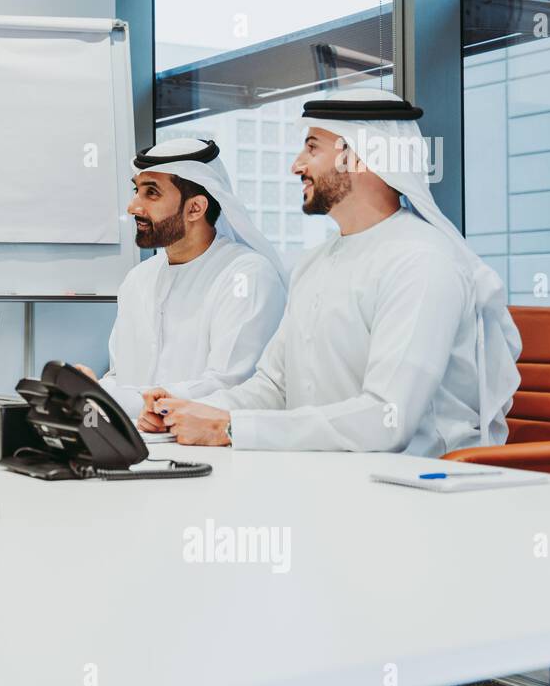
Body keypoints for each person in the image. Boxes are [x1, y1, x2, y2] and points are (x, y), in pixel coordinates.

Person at [140, 88, 521, 456]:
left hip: (413, 487)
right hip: (326, 475)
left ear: (359, 158)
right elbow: (274, 387)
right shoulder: (314, 262)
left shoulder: (422, 261)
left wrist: (231, 428)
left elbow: (387, 418)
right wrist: (183, 410)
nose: (296, 165)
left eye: (311, 147)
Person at [77, 138, 286, 418]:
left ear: (195, 208)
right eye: (136, 191)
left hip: (209, 453)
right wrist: (90, 392)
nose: (133, 207)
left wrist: (113, 400)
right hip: (135, 447)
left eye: (151, 194)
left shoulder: (246, 276)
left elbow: (229, 385)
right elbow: (121, 376)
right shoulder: (138, 279)